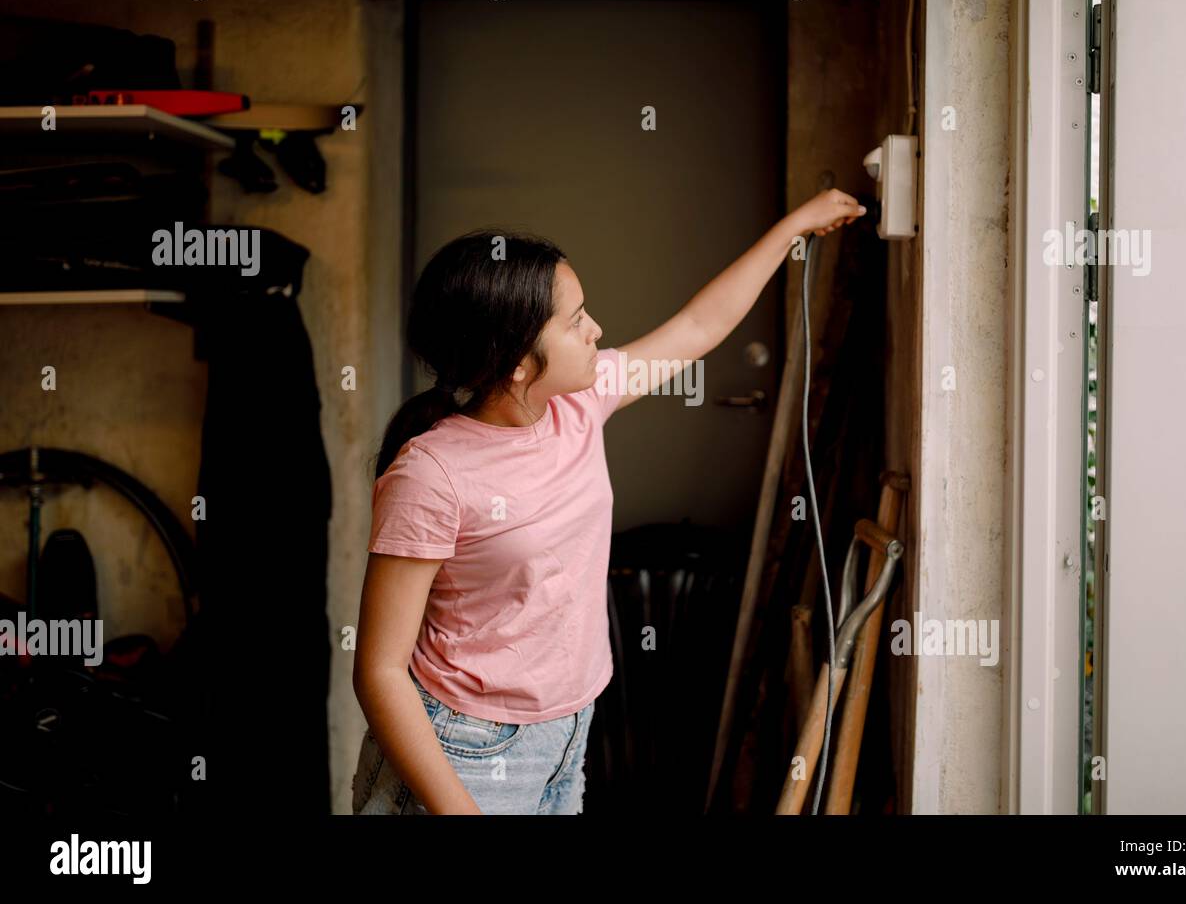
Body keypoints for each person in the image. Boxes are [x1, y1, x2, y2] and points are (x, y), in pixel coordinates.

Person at [351, 189, 865, 814]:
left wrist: (798, 225)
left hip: (567, 732)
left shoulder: (577, 404)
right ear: (515, 361)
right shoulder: (431, 474)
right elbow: (379, 671)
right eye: (574, 320)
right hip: (464, 751)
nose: (595, 328)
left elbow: (698, 327)